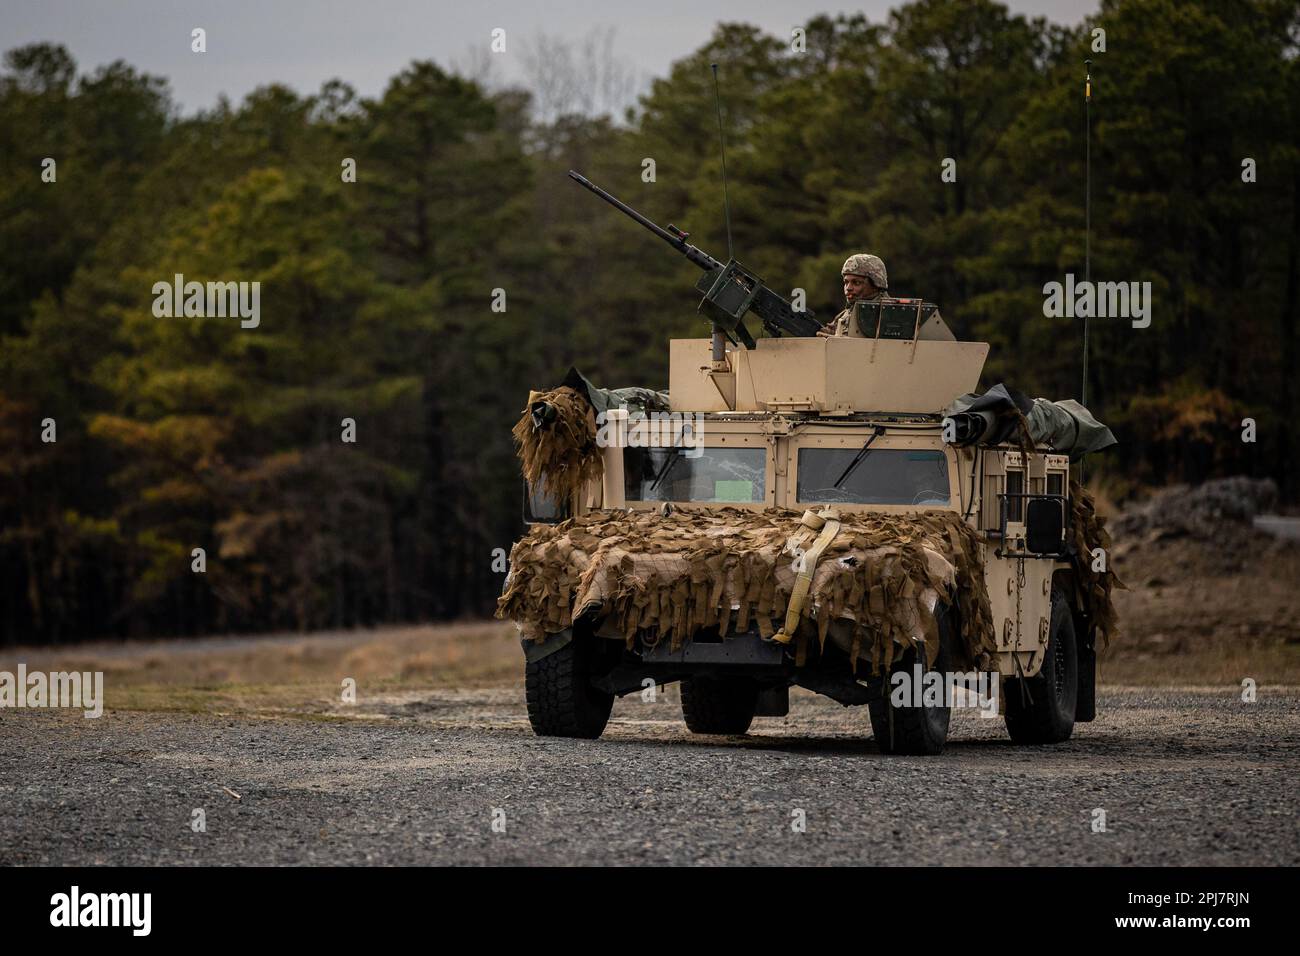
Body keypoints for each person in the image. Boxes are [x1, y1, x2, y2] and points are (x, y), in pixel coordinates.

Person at [821, 254, 889, 337]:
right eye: (846, 282)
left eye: (856, 283)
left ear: (876, 285)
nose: (848, 288)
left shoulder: (889, 313)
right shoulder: (845, 314)